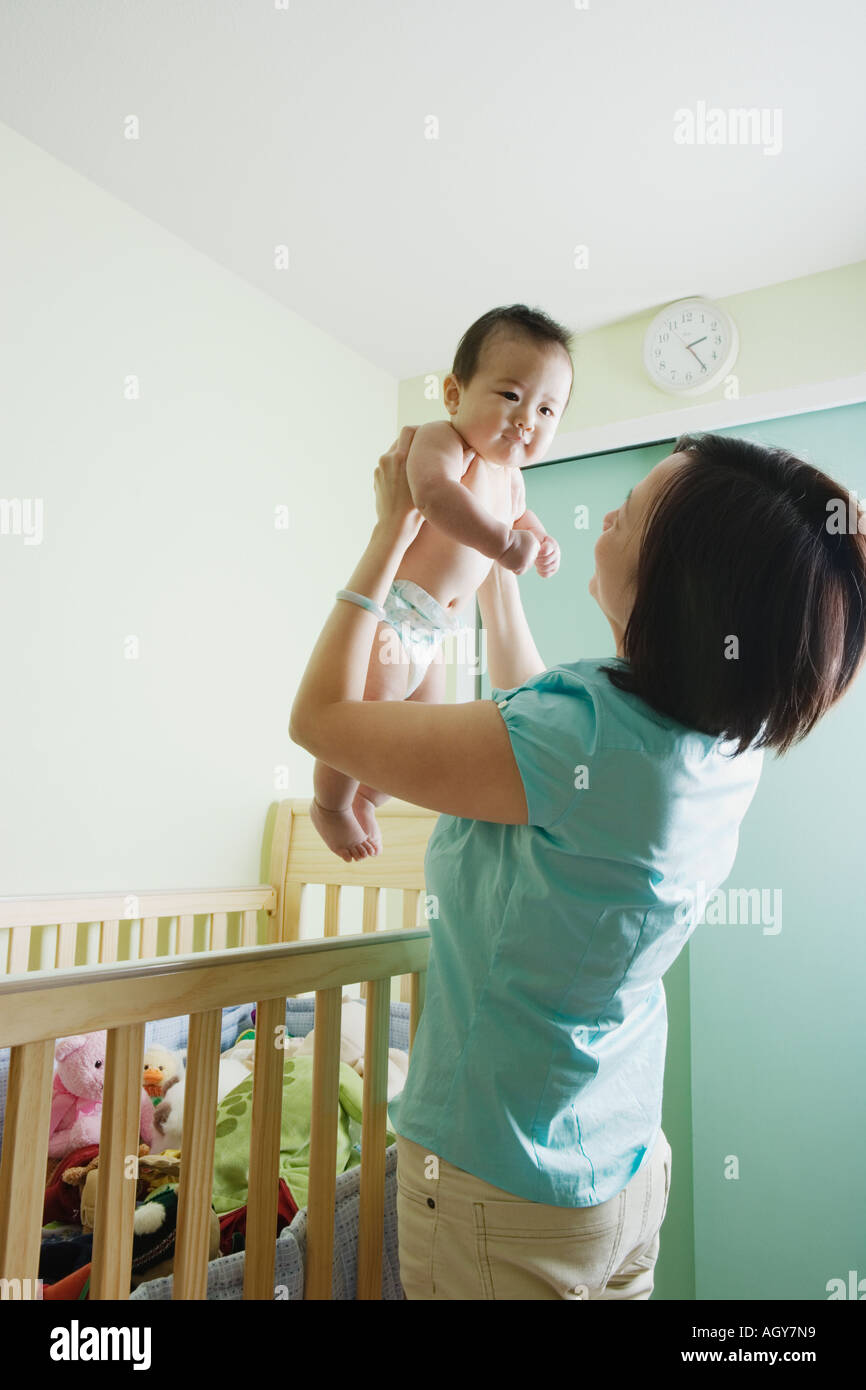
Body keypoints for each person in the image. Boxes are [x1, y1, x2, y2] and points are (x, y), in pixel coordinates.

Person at [289, 414, 866, 1300]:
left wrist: (389, 534)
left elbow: (323, 723)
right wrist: (492, 579)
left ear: (680, 588)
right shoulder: (717, 746)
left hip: (502, 1188)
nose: (605, 522)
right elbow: (538, 721)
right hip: (621, 1163)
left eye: (627, 515)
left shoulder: (577, 736)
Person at [310, 304, 574, 862]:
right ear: (455, 394)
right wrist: (503, 544)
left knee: (412, 741)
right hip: (396, 615)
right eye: (511, 396)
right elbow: (434, 495)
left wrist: (542, 541)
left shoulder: (513, 481)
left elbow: (524, 520)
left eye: (547, 409)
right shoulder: (444, 440)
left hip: (436, 633)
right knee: (363, 719)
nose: (528, 419)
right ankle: (330, 805)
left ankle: (367, 801)